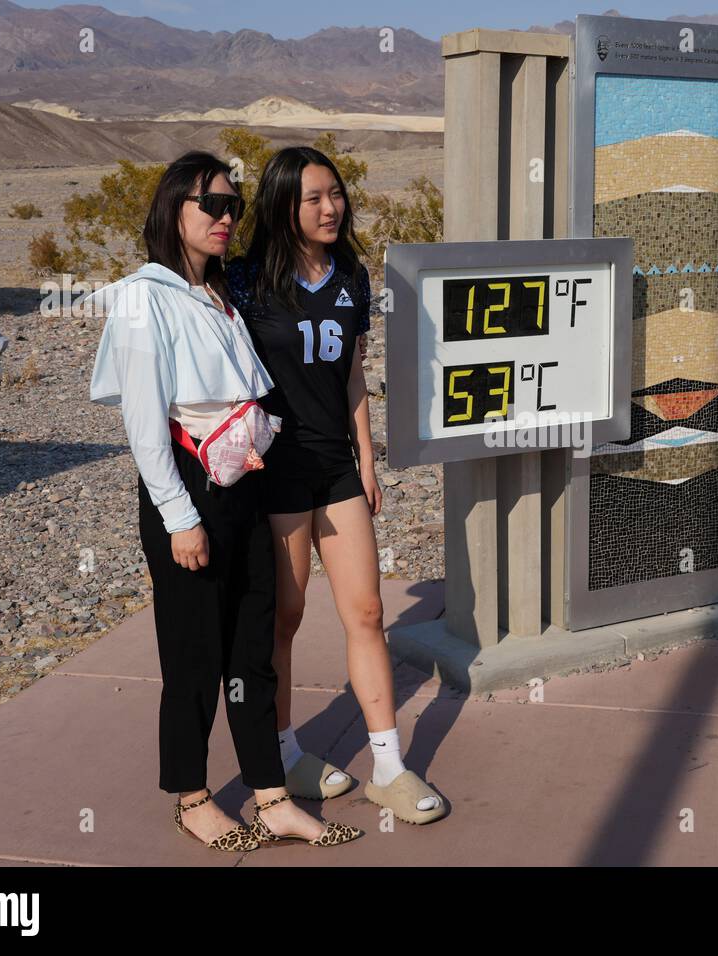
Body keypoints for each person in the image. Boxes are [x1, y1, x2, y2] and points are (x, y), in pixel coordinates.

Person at [89, 151, 363, 851]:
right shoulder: (143, 297)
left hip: (245, 488)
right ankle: (191, 796)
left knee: (253, 652)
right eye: (208, 204)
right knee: (193, 657)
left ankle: (271, 797)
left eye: (232, 205)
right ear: (171, 212)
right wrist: (180, 519)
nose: (224, 217)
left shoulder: (220, 293)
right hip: (189, 496)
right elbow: (145, 426)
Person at [227, 146, 447, 825]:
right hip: (277, 474)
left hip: (336, 470)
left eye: (336, 194)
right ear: (281, 205)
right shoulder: (244, 281)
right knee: (285, 620)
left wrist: (368, 459)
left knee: (368, 613)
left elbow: (352, 374)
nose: (331, 208)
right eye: (314, 197)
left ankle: (389, 766)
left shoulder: (351, 275)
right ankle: (286, 751)